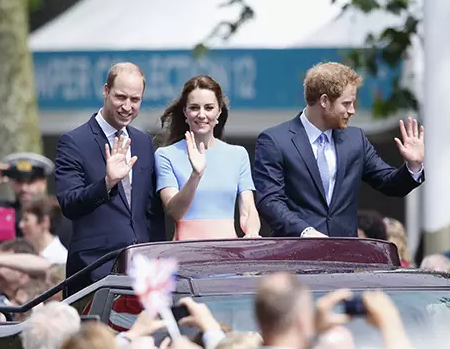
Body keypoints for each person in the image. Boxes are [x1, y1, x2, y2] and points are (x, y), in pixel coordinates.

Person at [253, 62, 425, 238]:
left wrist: (413, 166)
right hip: (295, 255)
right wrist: (305, 232)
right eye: (346, 103)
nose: (352, 110)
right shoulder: (275, 141)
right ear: (324, 101)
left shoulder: (355, 139)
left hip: (344, 256)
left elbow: (389, 183)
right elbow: (269, 200)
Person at [55, 62, 165, 296]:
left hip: (142, 270)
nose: (127, 107)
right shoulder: (75, 142)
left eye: (135, 100)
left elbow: (150, 211)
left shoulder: (143, 142)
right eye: (120, 97)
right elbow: (69, 203)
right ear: (106, 91)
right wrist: (107, 184)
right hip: (95, 270)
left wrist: (158, 257)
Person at [155, 75, 260, 240]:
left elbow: (248, 208)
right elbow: (174, 212)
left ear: (219, 111)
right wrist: (195, 175)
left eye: (209, 107)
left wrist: (252, 233)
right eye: (194, 107)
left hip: (228, 254)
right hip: (185, 254)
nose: (201, 115)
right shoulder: (166, 155)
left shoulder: (238, 155)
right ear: (185, 111)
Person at [0, 152, 72, 247]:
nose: (24, 188)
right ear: (11, 183)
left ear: (43, 183)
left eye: (30, 182)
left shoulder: (60, 214)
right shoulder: (0, 211)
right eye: (19, 182)